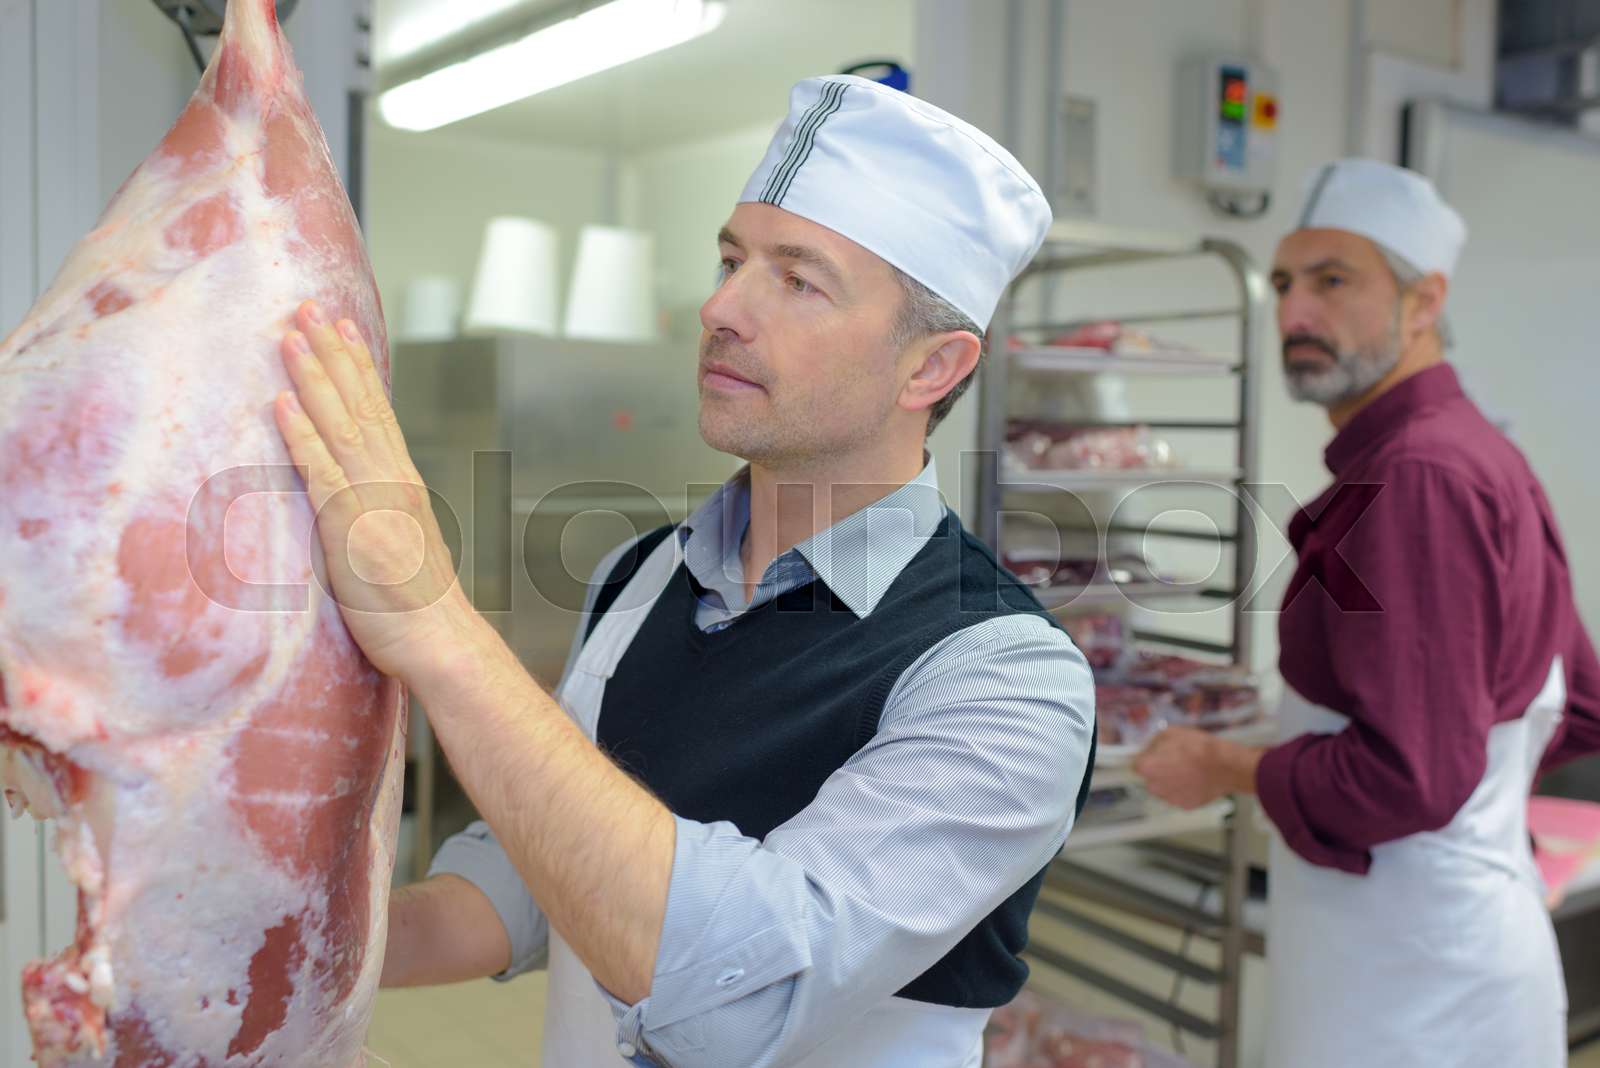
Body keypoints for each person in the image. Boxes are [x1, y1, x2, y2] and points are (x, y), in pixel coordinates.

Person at [272, 75, 1096, 1068]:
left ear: (931, 368)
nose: (720, 307)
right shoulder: (640, 575)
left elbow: (739, 997)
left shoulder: (1002, 678)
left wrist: (439, 627)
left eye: (798, 281)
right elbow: (535, 877)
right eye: (731, 260)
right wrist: (291, 947)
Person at [1133, 158, 1600, 1066]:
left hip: (1410, 985)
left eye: (1333, 281)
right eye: (1283, 284)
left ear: (1425, 302)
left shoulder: (1417, 478)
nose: (1295, 313)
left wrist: (1220, 765)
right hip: (1448, 945)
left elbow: (1411, 777)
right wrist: (1485, 836)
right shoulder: (1469, 451)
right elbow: (1574, 703)